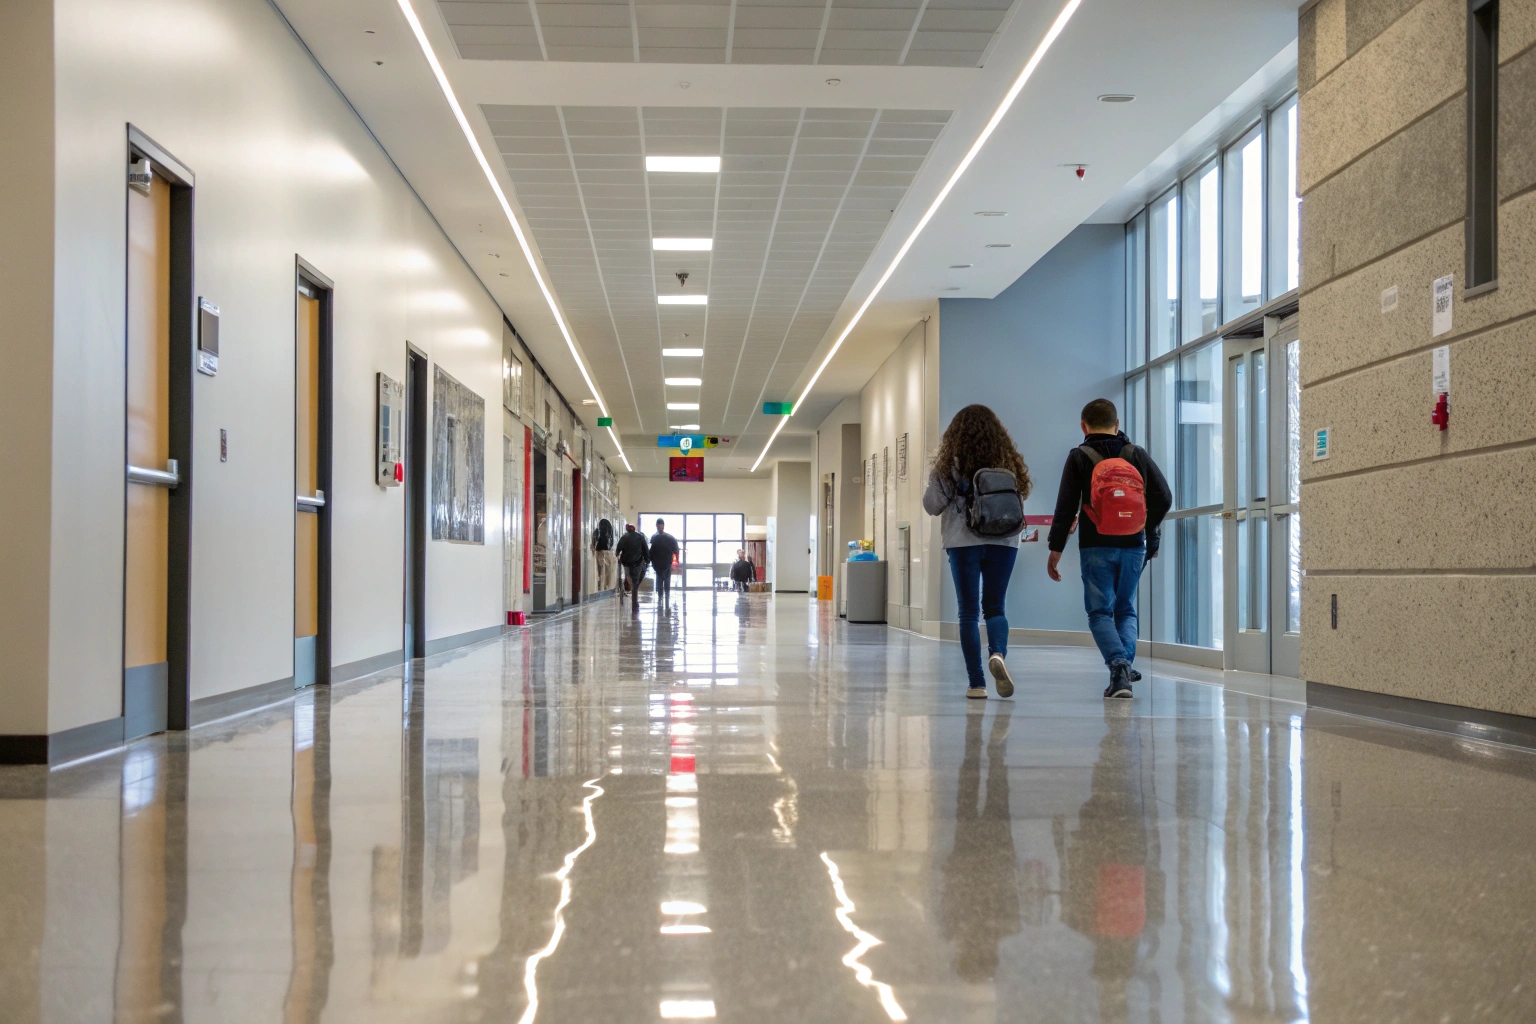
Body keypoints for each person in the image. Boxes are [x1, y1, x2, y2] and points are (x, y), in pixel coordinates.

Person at [1047, 398, 1171, 699]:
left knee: (1100, 612)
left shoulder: (1079, 456)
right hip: (1133, 544)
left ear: (1083, 426)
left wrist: (1055, 550)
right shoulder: (1135, 454)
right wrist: (1145, 528)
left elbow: (1065, 507)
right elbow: (1164, 496)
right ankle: (1124, 668)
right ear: (1116, 425)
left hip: (1095, 545)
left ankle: (1118, 666)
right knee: (1125, 609)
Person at [922, 404, 1030, 699]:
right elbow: (1021, 497)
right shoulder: (1009, 461)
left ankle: (977, 683)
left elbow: (932, 506)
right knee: (995, 607)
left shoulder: (949, 464)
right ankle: (997, 654)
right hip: (1004, 540)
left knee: (968, 612)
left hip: (962, 542)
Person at [614, 523, 649, 614]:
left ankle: (630, 588)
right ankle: (634, 600)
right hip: (637, 562)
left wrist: (617, 555)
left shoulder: (624, 537)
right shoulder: (640, 537)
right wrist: (647, 560)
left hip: (626, 563)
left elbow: (618, 549)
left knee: (629, 578)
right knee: (636, 581)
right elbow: (645, 549)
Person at [649, 518, 681, 606]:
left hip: (662, 563)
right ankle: (663, 596)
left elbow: (651, 551)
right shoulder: (667, 538)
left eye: (660, 525)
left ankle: (663, 596)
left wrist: (674, 562)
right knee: (663, 579)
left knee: (663, 579)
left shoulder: (656, 538)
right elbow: (676, 551)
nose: (659, 527)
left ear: (663, 526)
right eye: (658, 526)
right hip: (663, 563)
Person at [593, 517, 617, 596]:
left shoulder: (597, 531)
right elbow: (612, 543)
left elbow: (593, 543)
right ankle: (607, 587)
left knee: (599, 571)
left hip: (599, 552)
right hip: (608, 553)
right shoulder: (610, 532)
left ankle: (600, 586)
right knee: (608, 572)